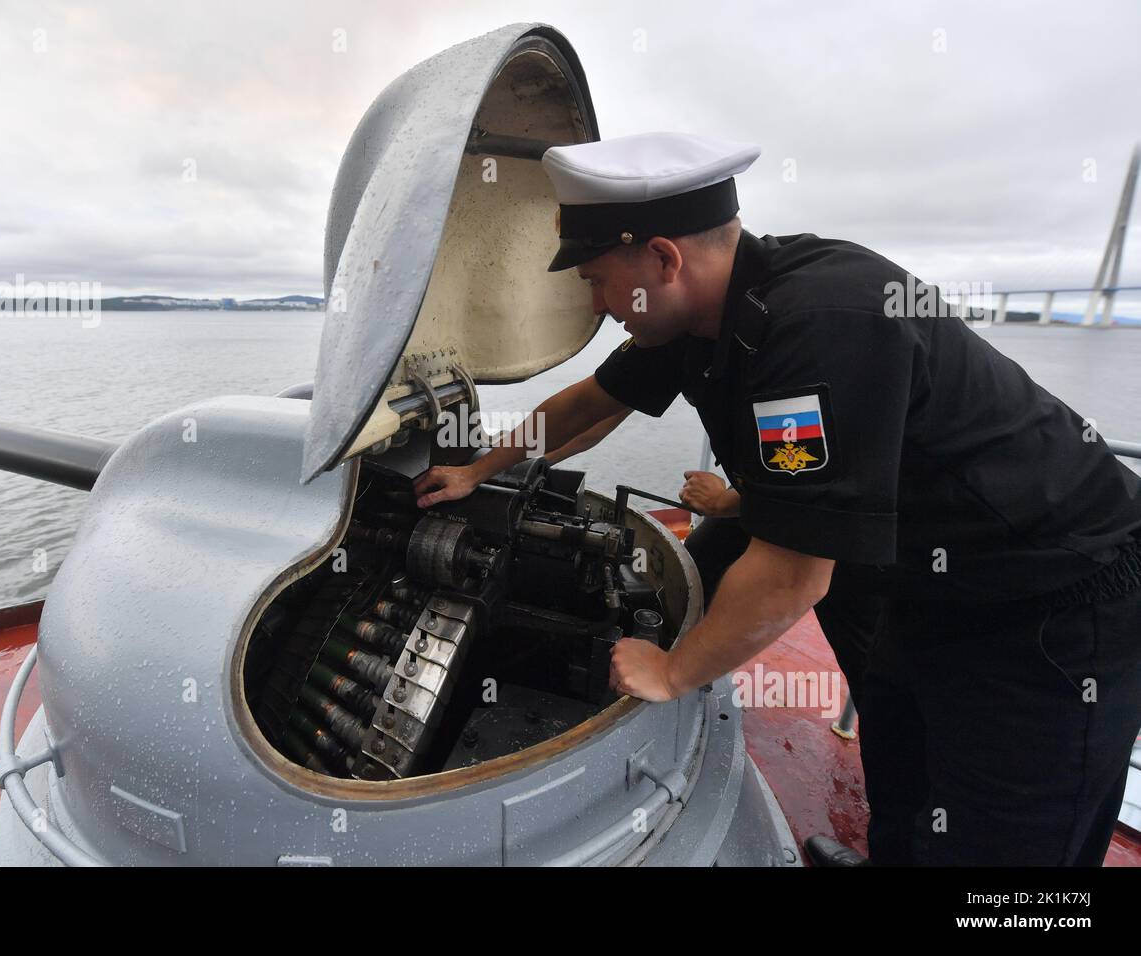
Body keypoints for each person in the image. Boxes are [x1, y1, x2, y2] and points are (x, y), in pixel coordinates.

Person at [413, 131, 1141, 866]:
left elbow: (796, 574)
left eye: (598, 280)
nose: (598, 305)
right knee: (903, 754)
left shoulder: (821, 322)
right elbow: (590, 405)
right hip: (924, 576)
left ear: (664, 258)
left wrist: (673, 670)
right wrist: (478, 470)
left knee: (1010, 835)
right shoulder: (701, 311)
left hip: (1060, 593)